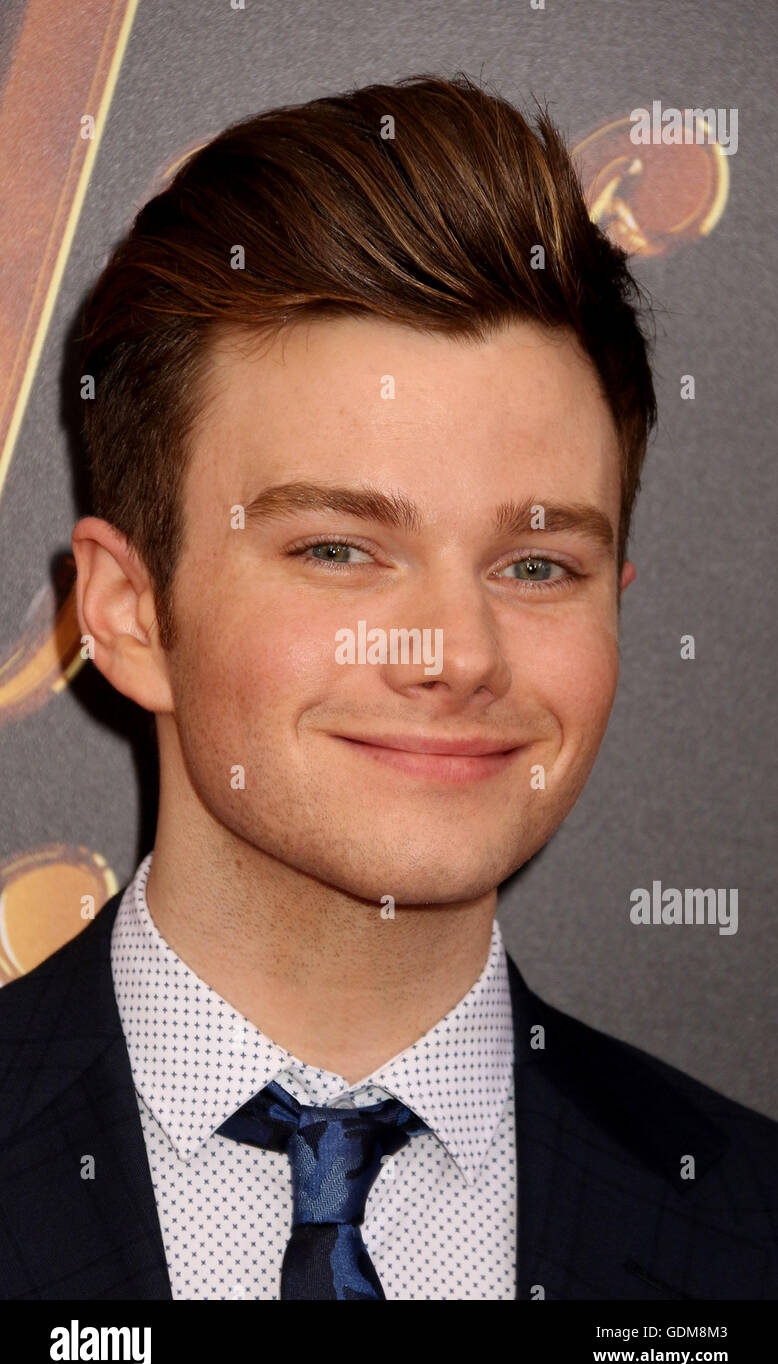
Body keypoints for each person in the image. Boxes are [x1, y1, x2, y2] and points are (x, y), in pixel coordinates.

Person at [0, 72, 774, 1302]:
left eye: (534, 564)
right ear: (129, 613)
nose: (456, 652)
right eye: (339, 550)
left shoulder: (747, 1227)